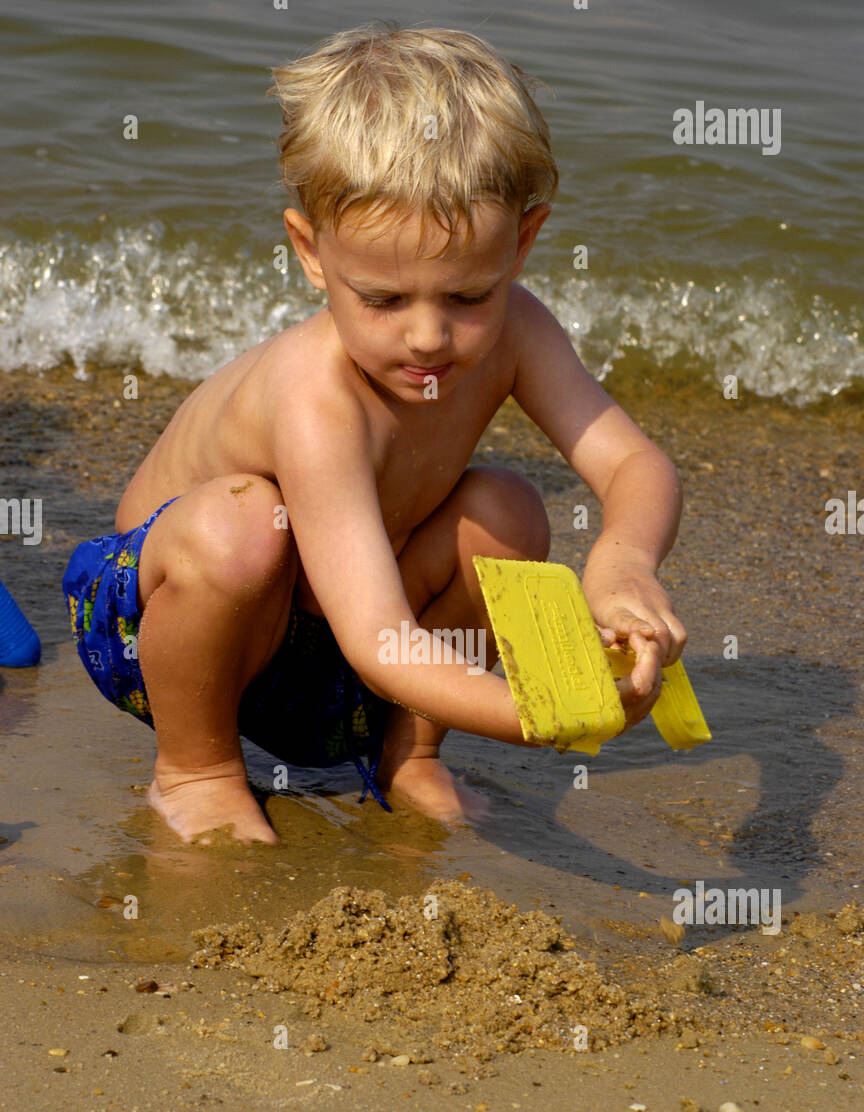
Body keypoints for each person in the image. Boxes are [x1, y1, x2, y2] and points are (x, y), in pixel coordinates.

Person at [63, 22, 686, 844]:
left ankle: (412, 752)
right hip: (175, 644)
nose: (428, 337)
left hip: (341, 663)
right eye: (385, 301)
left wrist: (624, 562)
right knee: (245, 523)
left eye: (467, 297)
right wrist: (537, 714)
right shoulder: (313, 396)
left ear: (524, 244)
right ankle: (197, 768)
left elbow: (632, 461)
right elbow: (379, 641)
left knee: (508, 508)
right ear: (311, 253)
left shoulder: (521, 333)